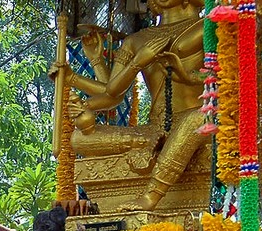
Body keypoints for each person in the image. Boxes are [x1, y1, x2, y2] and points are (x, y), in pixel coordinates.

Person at [51, 0, 205, 211]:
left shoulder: (209, 26)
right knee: (79, 138)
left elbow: (226, 79)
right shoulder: (136, 40)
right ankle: (149, 146)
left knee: (195, 119)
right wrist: (74, 78)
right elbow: (112, 94)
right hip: (155, 129)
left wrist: (186, 75)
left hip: (199, 120)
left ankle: (151, 196)